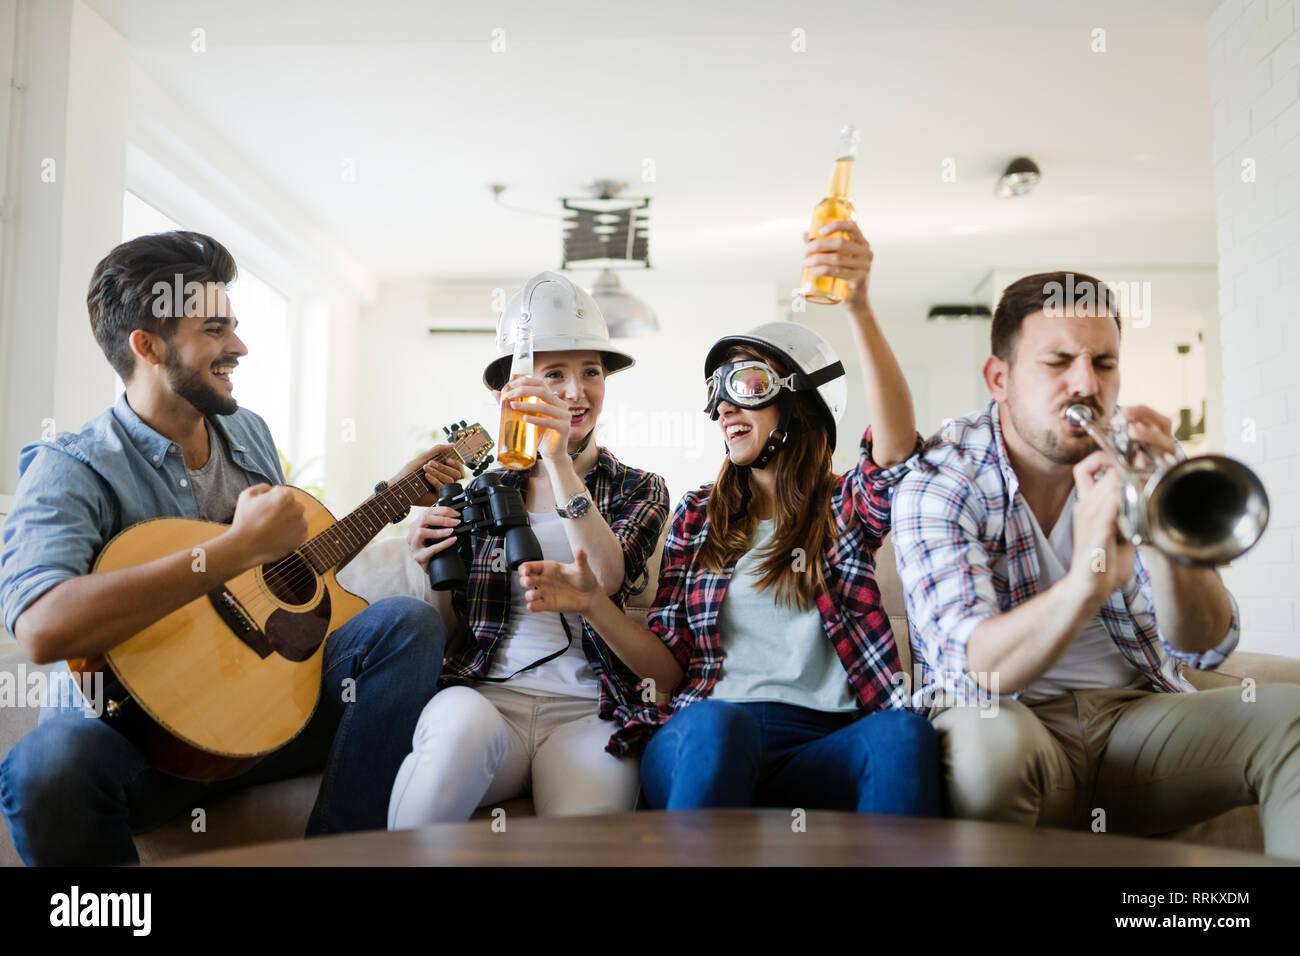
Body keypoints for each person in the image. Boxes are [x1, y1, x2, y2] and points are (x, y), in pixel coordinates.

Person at [0, 231, 458, 866]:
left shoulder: (248, 432)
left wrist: (391, 497)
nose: (238, 347)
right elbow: (43, 629)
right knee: (45, 767)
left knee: (405, 623)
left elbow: (285, 570)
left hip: (266, 719)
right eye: (215, 330)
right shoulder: (70, 467)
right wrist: (233, 549)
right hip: (139, 743)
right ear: (147, 345)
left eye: (235, 327)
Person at [521, 223, 940, 815]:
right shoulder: (698, 516)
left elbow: (895, 451)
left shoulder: (844, 508)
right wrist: (595, 605)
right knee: (723, 729)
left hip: (826, 744)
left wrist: (861, 308)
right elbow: (667, 672)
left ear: (801, 402)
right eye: (716, 392)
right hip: (707, 734)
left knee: (904, 735)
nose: (723, 407)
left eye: (745, 385)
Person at [891, 270, 1300, 858]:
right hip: (1010, 720)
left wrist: (1162, 536)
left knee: (1291, 719)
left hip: (1135, 717)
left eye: (1104, 364)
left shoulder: (1139, 458)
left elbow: (1206, 646)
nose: (1086, 384)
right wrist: (1086, 581)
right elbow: (975, 673)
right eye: (1058, 362)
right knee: (987, 752)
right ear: (999, 378)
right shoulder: (942, 478)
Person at [387, 272, 669, 826]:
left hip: (590, 711)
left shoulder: (639, 488)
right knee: (450, 740)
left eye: (591, 372)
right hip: (487, 699)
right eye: (554, 374)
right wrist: (430, 570)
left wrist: (558, 459)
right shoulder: (478, 493)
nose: (575, 392)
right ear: (509, 392)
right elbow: (448, 633)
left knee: (582, 840)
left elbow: (607, 578)